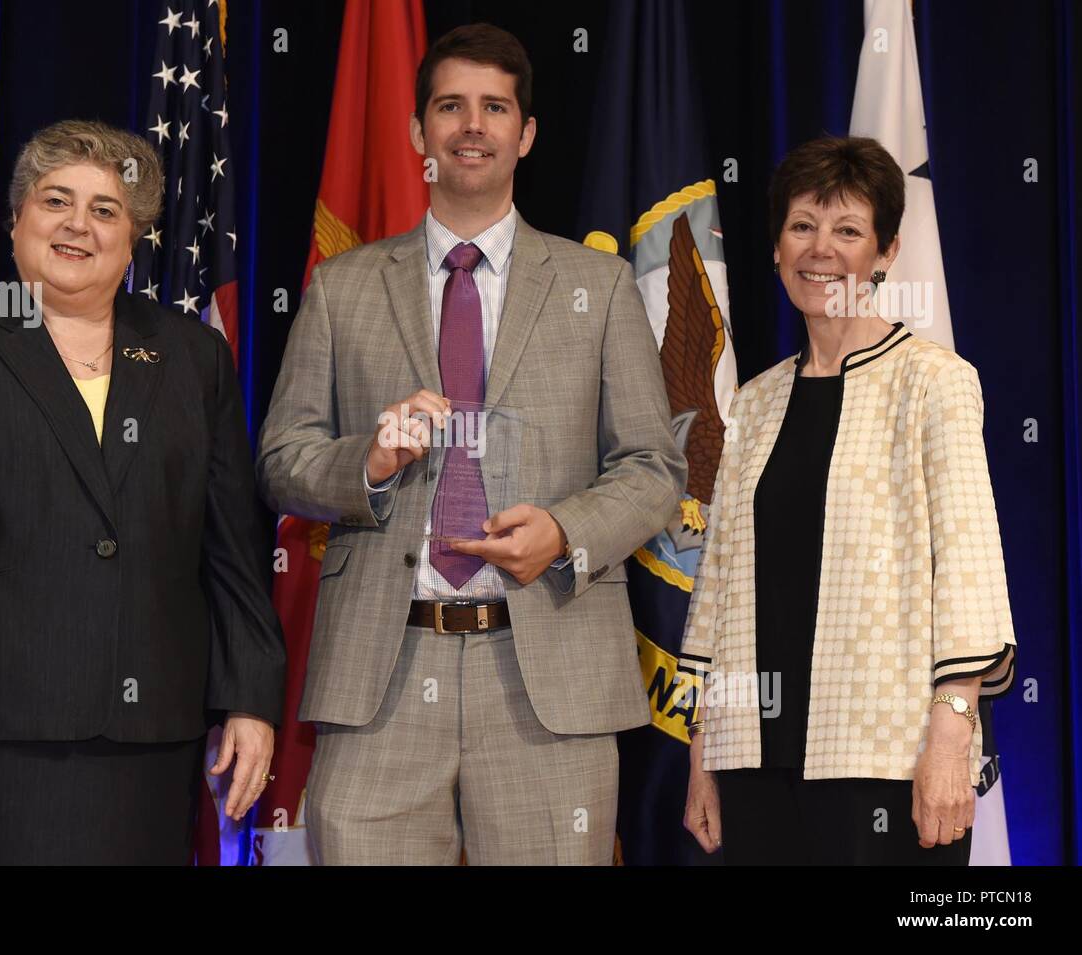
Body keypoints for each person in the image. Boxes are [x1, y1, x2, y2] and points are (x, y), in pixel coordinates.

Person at [257, 24, 686, 865]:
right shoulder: (343, 287)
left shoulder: (595, 286)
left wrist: (564, 531)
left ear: (525, 134)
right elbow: (280, 457)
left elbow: (654, 464)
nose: (472, 126)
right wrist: (368, 464)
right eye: (450, 107)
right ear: (419, 133)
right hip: (380, 678)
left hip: (547, 682)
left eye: (495, 108)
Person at [0, 119, 285, 864]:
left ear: (134, 238)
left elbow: (233, 547)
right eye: (55, 200)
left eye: (105, 209)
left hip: (148, 742)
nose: (78, 224)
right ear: (15, 224)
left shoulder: (192, 355)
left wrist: (250, 700)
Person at [679, 135, 1016, 865]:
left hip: (888, 763)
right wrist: (704, 748)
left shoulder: (934, 381)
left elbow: (968, 566)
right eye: (802, 225)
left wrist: (952, 734)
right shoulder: (756, 401)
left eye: (848, 230)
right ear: (775, 248)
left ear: (886, 252)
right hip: (756, 761)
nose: (820, 249)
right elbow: (718, 589)